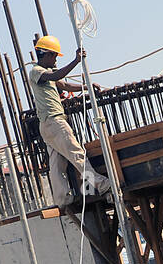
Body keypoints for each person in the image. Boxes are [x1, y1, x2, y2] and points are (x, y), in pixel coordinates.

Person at [27, 34, 111, 206]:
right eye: (55, 56)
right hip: (55, 122)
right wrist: (76, 61)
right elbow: (56, 76)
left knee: (57, 164)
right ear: (48, 54)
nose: (56, 60)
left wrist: (87, 87)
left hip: (48, 125)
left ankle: (62, 199)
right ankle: (101, 185)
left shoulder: (48, 73)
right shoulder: (37, 71)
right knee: (77, 155)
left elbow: (64, 85)